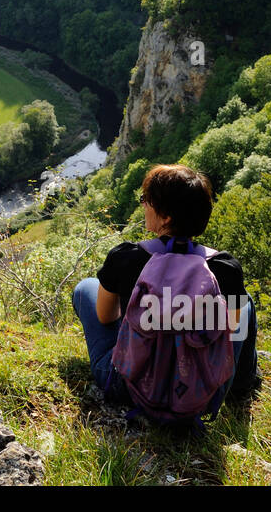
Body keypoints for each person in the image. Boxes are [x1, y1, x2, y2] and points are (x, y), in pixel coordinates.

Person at [72, 163, 260, 410]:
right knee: (243, 304)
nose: (143, 205)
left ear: (166, 217)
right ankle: (242, 384)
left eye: (146, 200)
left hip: (129, 388)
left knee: (86, 287)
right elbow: (233, 331)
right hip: (203, 394)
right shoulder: (225, 267)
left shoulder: (125, 257)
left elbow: (106, 317)